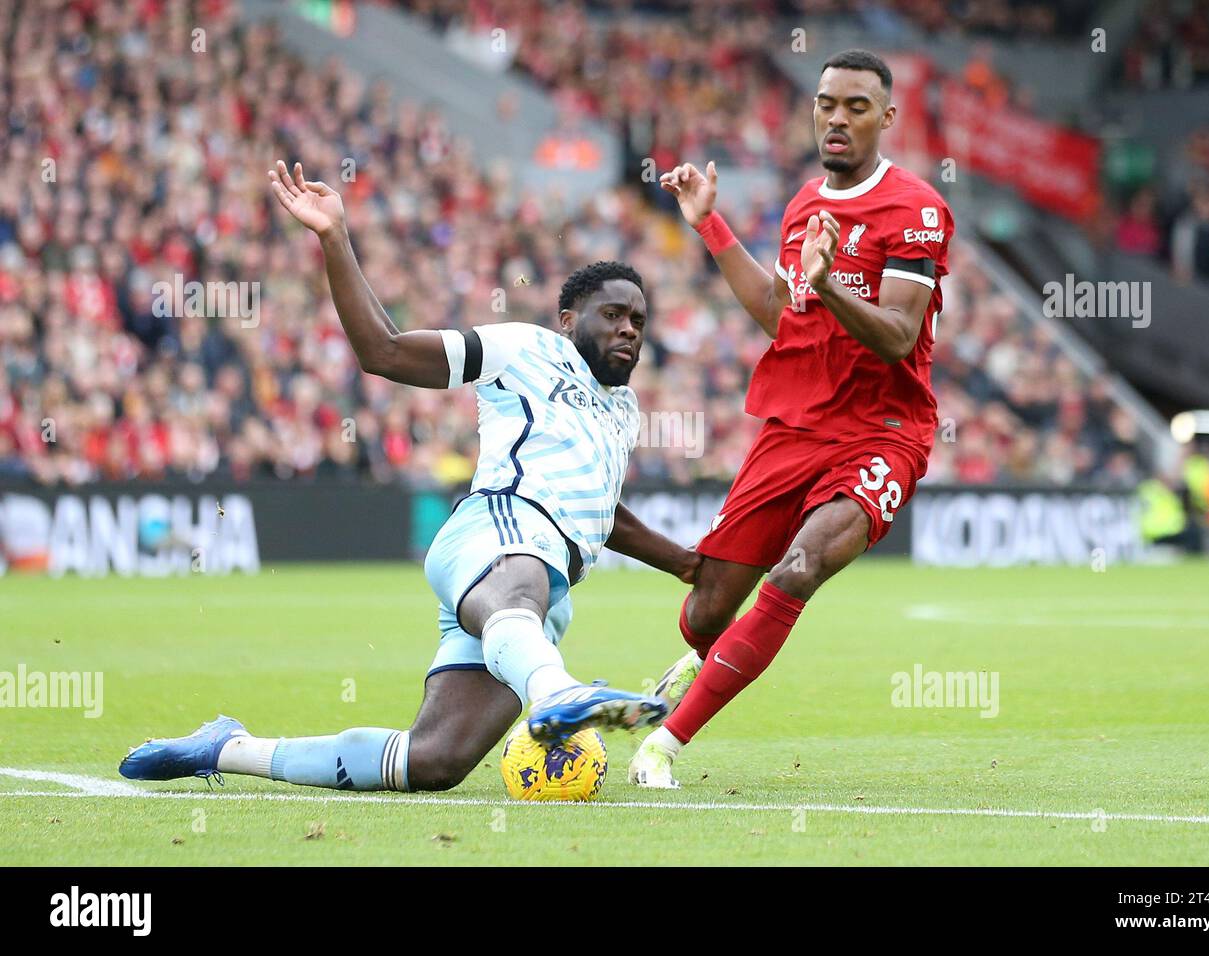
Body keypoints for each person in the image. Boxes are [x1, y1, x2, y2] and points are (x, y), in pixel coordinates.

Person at [119, 161, 699, 793]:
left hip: (540, 591)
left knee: (432, 762)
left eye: (638, 322)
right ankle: (557, 692)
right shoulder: (527, 349)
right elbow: (384, 351)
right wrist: (335, 238)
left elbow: (600, 513)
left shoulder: (624, 408)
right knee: (522, 597)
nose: (627, 330)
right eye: (613, 314)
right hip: (497, 537)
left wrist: (685, 564)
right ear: (566, 319)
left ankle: (227, 748)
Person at [629, 50, 954, 787]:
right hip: (792, 426)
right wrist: (710, 227)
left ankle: (663, 745)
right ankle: (697, 659)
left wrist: (830, 286)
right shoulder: (805, 204)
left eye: (856, 107)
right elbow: (783, 316)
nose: (836, 118)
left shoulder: (917, 211)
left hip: (882, 432)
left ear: (887, 118)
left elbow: (900, 335)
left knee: (799, 568)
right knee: (707, 612)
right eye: (825, 103)